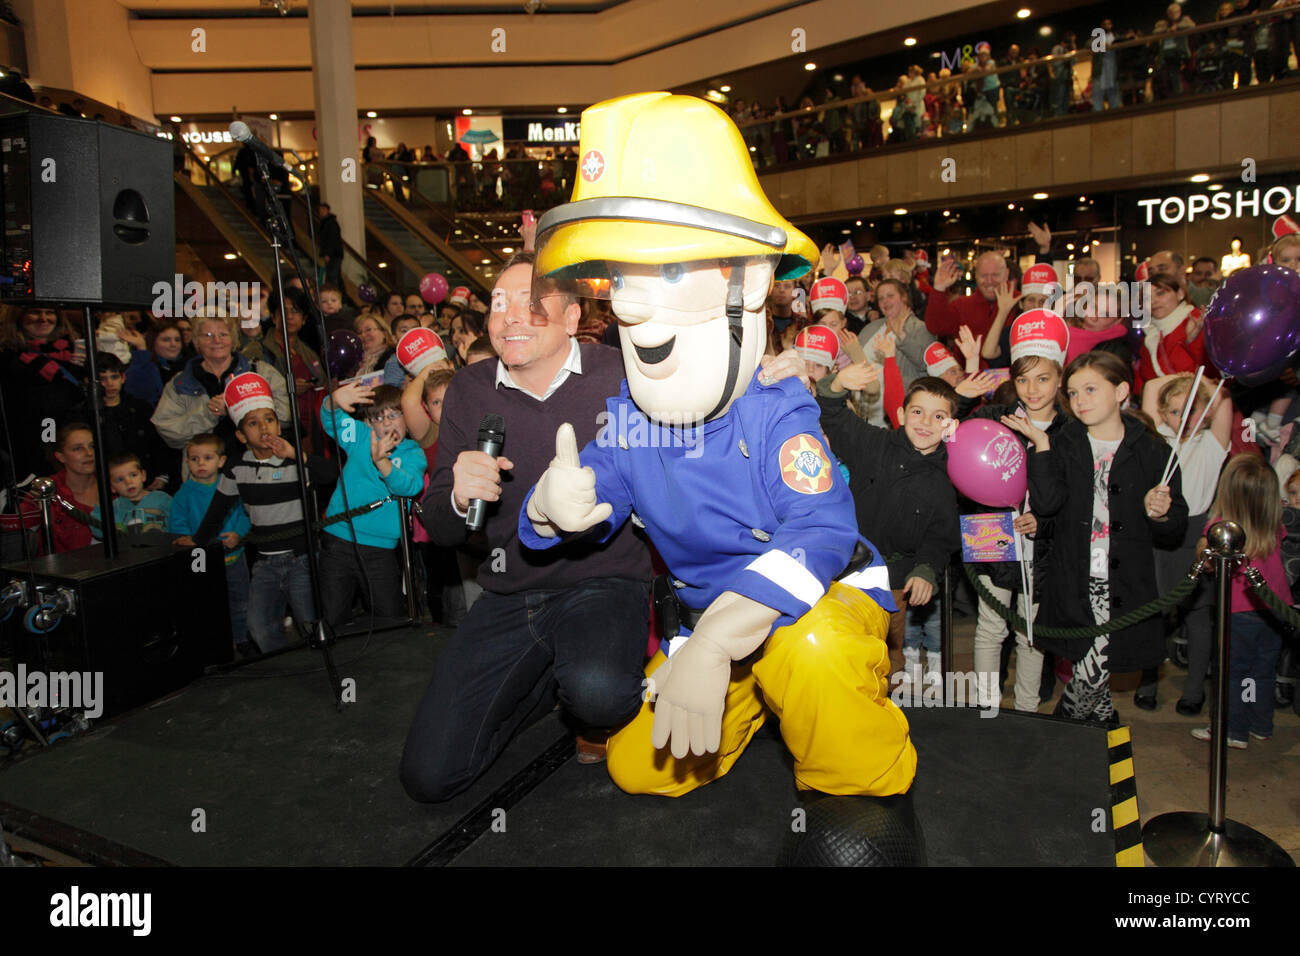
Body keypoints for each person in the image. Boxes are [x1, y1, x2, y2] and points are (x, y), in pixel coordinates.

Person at [399, 252, 653, 803]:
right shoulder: (469, 389)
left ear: (570, 317)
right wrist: (456, 491)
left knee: (601, 695)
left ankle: (575, 685)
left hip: (603, 582)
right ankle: (543, 683)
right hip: (510, 590)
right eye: (497, 302)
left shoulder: (619, 373)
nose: (509, 316)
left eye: (531, 304)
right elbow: (441, 526)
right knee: (428, 778)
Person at [1006, 351, 1187, 724]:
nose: (1080, 400)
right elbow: (1047, 505)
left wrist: (1162, 511)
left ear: (1121, 391)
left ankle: (1059, 731)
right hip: (1075, 579)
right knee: (1093, 669)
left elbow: (1174, 527)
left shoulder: (1154, 451)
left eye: (1090, 389)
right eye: (1072, 393)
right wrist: (1041, 447)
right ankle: (1104, 728)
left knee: (1092, 672)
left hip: (1123, 584)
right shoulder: (1065, 442)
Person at [816, 374, 960, 687]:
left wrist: (925, 570)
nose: (926, 423)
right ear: (901, 414)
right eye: (918, 412)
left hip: (895, 581)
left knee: (886, 656)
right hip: (846, 572)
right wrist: (838, 383)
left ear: (951, 426)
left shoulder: (946, 480)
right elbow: (833, 416)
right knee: (840, 647)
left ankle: (883, 713)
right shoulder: (874, 443)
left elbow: (941, 537)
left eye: (939, 416)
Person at [968, 311, 1072, 710]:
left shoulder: (1069, 431)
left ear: (1059, 379)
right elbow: (955, 438)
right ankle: (986, 707)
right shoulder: (995, 417)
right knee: (990, 627)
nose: (1032, 389)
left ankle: (1028, 711)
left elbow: (1057, 500)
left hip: (1043, 545)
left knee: (1033, 634)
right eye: (1023, 379)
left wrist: (1042, 521)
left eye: (1043, 378)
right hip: (990, 527)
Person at [192, 373, 338, 654]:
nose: (264, 428)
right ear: (240, 434)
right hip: (264, 563)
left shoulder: (293, 460)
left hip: (301, 558)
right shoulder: (237, 469)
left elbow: (329, 473)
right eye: (253, 423)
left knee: (311, 624)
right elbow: (217, 510)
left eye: (269, 420)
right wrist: (198, 540)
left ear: (279, 424)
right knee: (259, 625)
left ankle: (322, 671)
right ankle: (284, 670)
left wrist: (296, 454)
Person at [1142, 372, 1232, 714]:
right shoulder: (1158, 438)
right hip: (1162, 532)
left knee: (1197, 616)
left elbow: (1224, 399)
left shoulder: (1212, 442)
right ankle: (1148, 682)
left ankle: (1194, 690)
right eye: (1177, 412)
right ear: (1164, 415)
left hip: (1196, 535)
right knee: (1156, 613)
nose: (1185, 419)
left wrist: (1202, 387)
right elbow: (1151, 387)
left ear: (1205, 412)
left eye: (1193, 411)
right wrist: (1188, 375)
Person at [1191, 455, 1288, 747]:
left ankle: (1233, 730)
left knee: (1235, 673)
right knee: (1261, 669)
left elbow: (1206, 563)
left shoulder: (1222, 527)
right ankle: (1260, 723)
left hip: (1241, 609)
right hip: (1275, 608)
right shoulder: (1273, 525)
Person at [316, 381, 426, 632]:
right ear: (368, 422)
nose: (387, 423)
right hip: (338, 541)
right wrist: (333, 400)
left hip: (380, 550)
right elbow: (330, 419)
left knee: (390, 620)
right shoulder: (362, 437)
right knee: (333, 618)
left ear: (407, 419)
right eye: (378, 417)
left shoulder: (412, 453)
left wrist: (383, 463)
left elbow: (408, 487)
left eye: (394, 414)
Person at [152, 315, 291, 475]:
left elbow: (287, 415)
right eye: (208, 335)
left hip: (261, 471)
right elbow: (168, 432)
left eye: (223, 335)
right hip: (206, 478)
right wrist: (208, 414)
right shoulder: (181, 382)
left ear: (233, 339)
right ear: (196, 341)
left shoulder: (260, 372)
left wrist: (239, 407)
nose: (216, 341)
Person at [170, 433, 253, 659]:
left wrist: (238, 533)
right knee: (207, 603)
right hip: (201, 560)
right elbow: (177, 524)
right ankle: (214, 643)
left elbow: (245, 514)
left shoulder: (232, 487)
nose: (201, 464)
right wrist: (187, 539)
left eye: (207, 458)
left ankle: (242, 639)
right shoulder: (183, 494)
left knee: (241, 601)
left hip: (234, 556)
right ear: (187, 462)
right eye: (194, 459)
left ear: (221, 461)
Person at [0, 305, 87, 482]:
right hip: (24, 450)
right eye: (35, 312)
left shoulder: (74, 352)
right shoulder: (7, 358)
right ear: (18, 318)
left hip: (71, 445)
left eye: (50, 312)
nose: (43, 318)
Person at [96, 353, 177, 492]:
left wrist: (162, 476)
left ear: (123, 378)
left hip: (147, 480)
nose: (109, 384)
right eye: (103, 379)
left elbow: (158, 444)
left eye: (114, 377)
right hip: (106, 485)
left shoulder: (141, 408)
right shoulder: (85, 414)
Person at [1135, 272, 1208, 395]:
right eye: (1147, 298)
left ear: (1180, 294)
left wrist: (1191, 341)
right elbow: (1144, 384)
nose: (1153, 301)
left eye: (1160, 293)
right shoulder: (1150, 335)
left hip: (1202, 401)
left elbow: (1215, 374)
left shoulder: (1198, 321)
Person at [860, 278, 936, 386]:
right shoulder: (870, 328)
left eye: (890, 296)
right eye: (881, 298)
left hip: (900, 399)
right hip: (865, 400)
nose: (885, 301)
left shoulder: (921, 329)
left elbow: (928, 365)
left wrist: (902, 337)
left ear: (904, 298)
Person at [46, 423, 99, 554]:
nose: (89, 453)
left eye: (92, 446)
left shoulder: (117, 483)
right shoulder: (48, 491)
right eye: (78, 449)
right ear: (60, 456)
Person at [95, 452, 172, 536]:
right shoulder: (112, 508)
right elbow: (98, 531)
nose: (128, 482)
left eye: (133, 475)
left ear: (143, 475)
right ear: (112, 487)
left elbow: (180, 523)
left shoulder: (163, 499)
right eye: (120, 479)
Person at [124, 320, 186, 406]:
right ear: (153, 342)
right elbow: (138, 391)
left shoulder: (189, 366)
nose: (173, 344)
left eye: (177, 340)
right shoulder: (143, 366)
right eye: (166, 340)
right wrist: (141, 349)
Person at [318, 203, 344, 292]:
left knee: (332, 277)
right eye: (320, 210)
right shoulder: (328, 223)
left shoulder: (330, 223)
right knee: (336, 277)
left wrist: (327, 253)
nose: (321, 212)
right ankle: (341, 295)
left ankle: (333, 294)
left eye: (323, 210)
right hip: (335, 253)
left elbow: (331, 239)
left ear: (327, 210)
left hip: (333, 254)